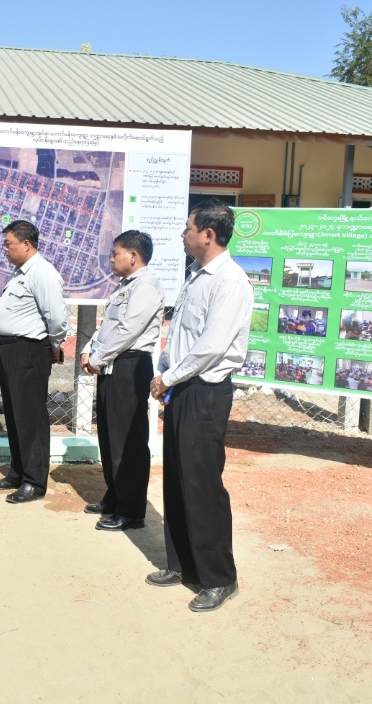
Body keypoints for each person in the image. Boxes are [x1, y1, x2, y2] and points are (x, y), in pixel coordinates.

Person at [147, 198, 252, 612]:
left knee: (202, 484)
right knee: (176, 478)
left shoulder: (231, 281)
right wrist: (167, 371)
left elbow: (211, 346)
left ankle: (219, 578)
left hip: (205, 392)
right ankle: (182, 564)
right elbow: (182, 336)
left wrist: (167, 378)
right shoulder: (196, 275)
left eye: (188, 228)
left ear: (208, 234)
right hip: (181, 387)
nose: (183, 234)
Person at [79, 230, 165, 531]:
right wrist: (90, 350)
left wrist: (98, 358)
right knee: (110, 435)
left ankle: (131, 511)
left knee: (128, 439)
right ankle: (115, 495)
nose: (111, 258)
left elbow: (129, 330)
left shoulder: (147, 286)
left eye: (116, 253)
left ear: (133, 256)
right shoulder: (124, 287)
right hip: (113, 364)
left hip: (130, 365)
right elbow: (107, 327)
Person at [0, 220, 68, 503]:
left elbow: (56, 317)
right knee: (14, 413)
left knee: (31, 417)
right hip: (10, 351)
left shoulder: (42, 273)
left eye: (8, 244)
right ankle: (18, 472)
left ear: (26, 244)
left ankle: (34, 481)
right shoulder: (19, 273)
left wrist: (54, 346)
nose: (5, 250)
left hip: (30, 351)